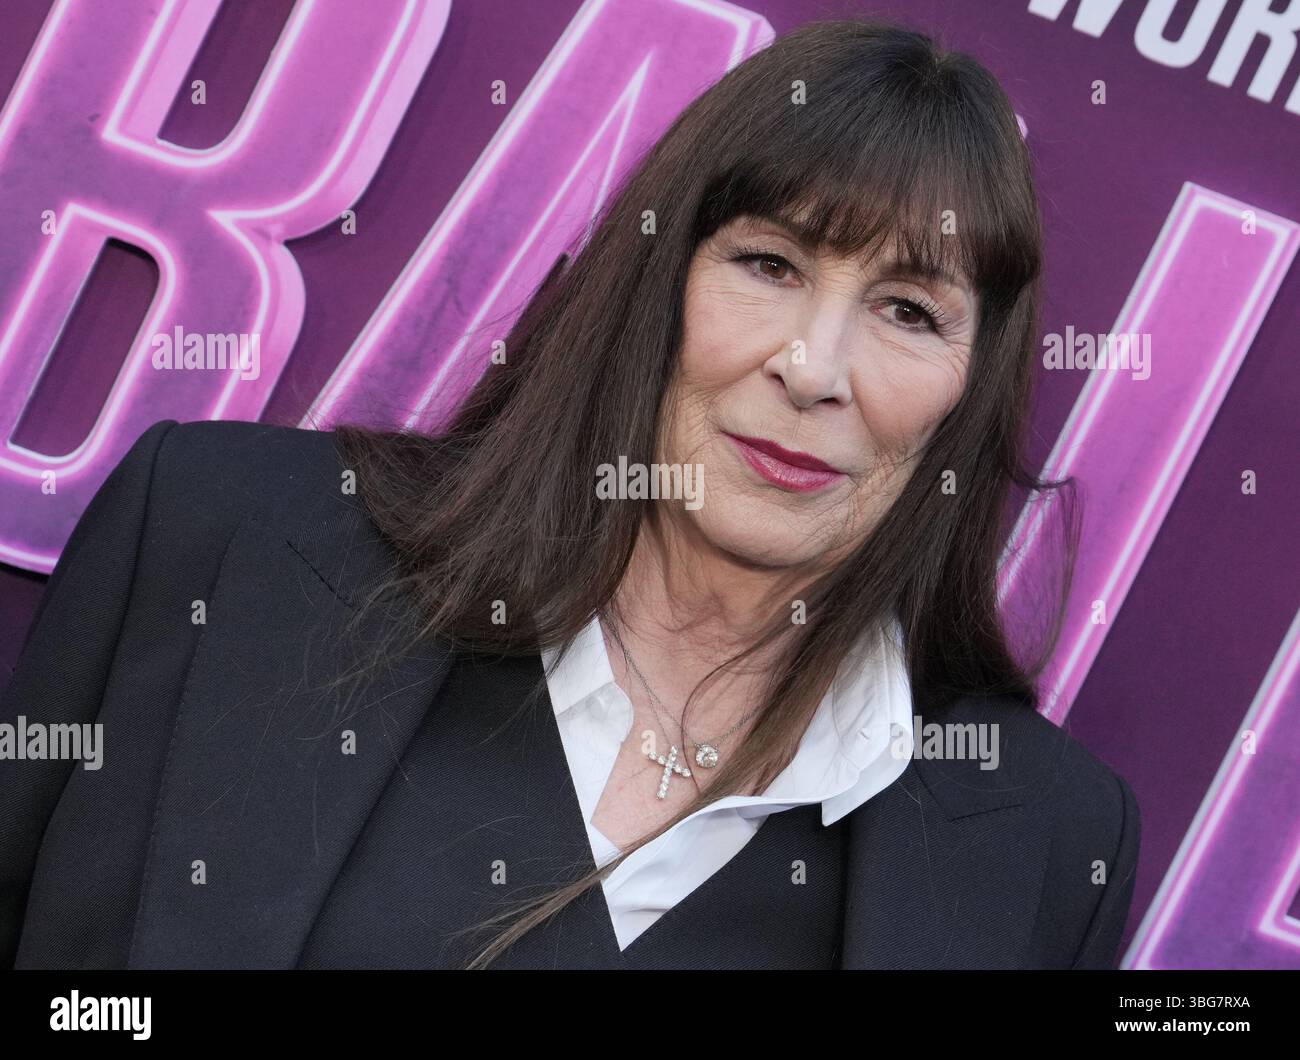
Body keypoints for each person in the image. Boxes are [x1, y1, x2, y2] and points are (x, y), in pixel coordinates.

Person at [0, 17, 1138, 970]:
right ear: (657, 280)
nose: (813, 368)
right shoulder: (215, 537)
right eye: (769, 264)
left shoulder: (1042, 846)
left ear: (967, 388)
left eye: (907, 311)